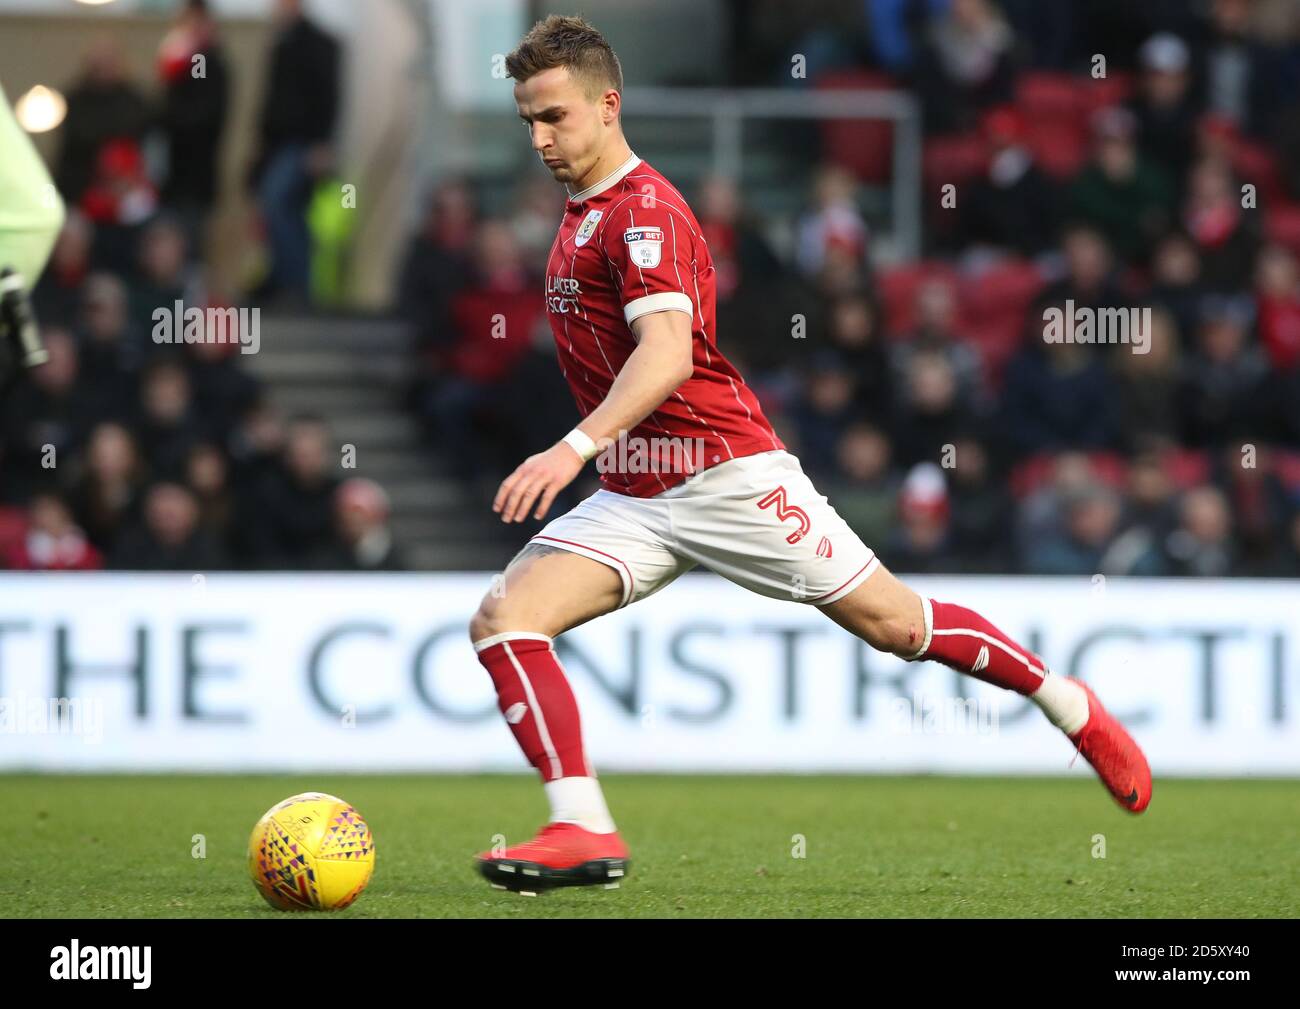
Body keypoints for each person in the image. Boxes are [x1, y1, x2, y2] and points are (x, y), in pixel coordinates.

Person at [469, 16, 1152, 893]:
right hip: (636, 493)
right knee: (503, 621)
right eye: (527, 118)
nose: (538, 137)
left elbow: (668, 352)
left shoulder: (645, 213)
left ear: (609, 105)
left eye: (554, 116)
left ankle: (1070, 703)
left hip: (726, 476)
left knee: (899, 626)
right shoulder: (581, 212)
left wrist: (571, 446)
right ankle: (580, 829)